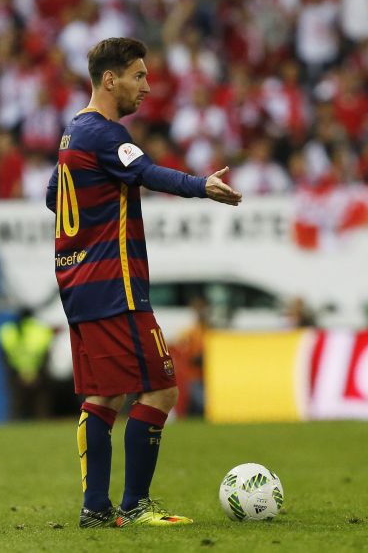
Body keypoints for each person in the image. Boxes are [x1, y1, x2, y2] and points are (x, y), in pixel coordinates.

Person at [46, 37, 242, 528]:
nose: (147, 87)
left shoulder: (73, 133)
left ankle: (95, 508)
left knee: (104, 395)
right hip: (116, 285)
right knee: (161, 388)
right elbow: (148, 172)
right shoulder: (105, 134)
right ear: (109, 79)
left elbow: (55, 195)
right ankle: (134, 505)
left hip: (78, 281)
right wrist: (202, 186)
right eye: (138, 75)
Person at [0, 307, 54, 420]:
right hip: (37, 373)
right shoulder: (40, 329)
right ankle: (43, 425)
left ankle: (13, 426)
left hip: (16, 373)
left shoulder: (8, 330)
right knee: (40, 405)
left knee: (17, 405)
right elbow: (46, 354)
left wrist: (20, 373)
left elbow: (4, 355)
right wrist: (34, 373)